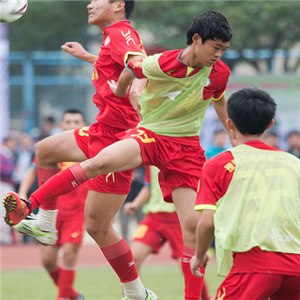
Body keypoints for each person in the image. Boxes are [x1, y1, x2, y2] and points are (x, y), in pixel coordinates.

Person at [4, 10, 233, 300]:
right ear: (197, 40)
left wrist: (234, 135)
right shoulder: (162, 62)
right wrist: (126, 89)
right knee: (95, 163)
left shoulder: (218, 71)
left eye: (223, 50)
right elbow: (133, 69)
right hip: (150, 135)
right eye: (216, 48)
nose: (219, 56)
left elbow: (219, 98)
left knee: (192, 228)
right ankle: (30, 206)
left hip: (185, 148)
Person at [4, 2, 156, 300]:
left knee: (98, 228)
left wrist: (136, 89)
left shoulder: (123, 33)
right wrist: (87, 56)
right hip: (100, 130)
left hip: (117, 139)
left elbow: (141, 66)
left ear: (117, 5)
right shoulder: (112, 35)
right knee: (45, 150)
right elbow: (116, 64)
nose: (89, 3)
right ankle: (46, 224)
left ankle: (137, 293)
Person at [190, 87, 300, 300]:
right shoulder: (294, 163)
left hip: (253, 265)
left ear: (229, 123)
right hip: (296, 265)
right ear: (270, 124)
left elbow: (206, 222)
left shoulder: (219, 164)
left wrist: (199, 255)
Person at [14, 109, 87, 300]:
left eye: (76, 122)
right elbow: (32, 171)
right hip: (50, 214)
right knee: (47, 262)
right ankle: (72, 295)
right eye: (68, 122)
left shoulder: (90, 150)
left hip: (76, 214)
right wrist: (22, 195)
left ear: (84, 126)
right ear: (61, 126)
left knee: (70, 254)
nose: (72, 126)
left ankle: (63, 297)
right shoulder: (53, 148)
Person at [123, 165, 212, 300]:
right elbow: (148, 188)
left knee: (190, 266)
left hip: (179, 219)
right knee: (130, 260)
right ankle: (133, 297)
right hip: (154, 218)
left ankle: (206, 298)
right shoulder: (151, 160)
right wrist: (134, 204)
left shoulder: (184, 155)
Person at [119, 167, 146, 243]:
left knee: (142, 225)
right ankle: (125, 246)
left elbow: (148, 182)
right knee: (124, 227)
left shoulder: (143, 164)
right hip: (123, 201)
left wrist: (137, 177)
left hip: (139, 200)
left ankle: (142, 244)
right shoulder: (123, 163)